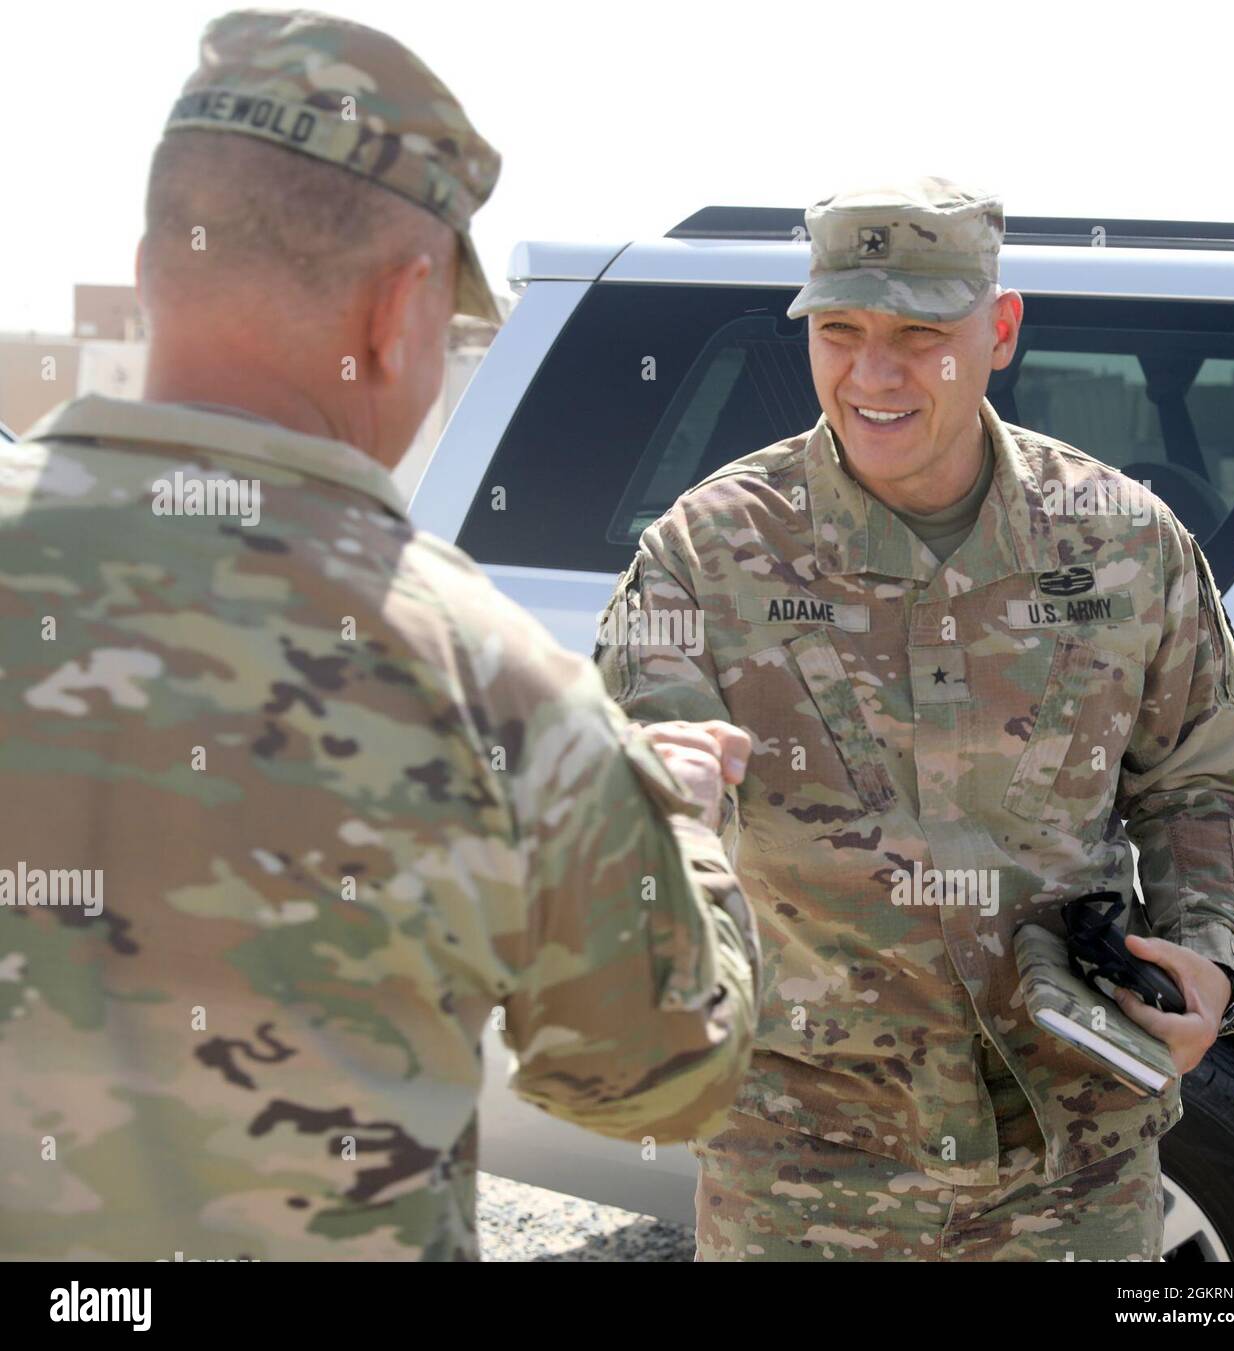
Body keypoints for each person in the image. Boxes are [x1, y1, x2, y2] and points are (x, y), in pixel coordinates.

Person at [0, 9, 759, 1262]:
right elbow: (653, 1081)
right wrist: (679, 818)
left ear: (151, 263)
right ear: (400, 310)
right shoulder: (488, 674)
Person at [595, 177, 1234, 1261]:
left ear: (997, 330)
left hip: (1074, 1156)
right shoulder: (705, 552)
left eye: (919, 331)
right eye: (839, 329)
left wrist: (1207, 953)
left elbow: (1199, 787)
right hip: (805, 1167)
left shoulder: (1128, 546)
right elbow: (640, 770)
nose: (872, 372)